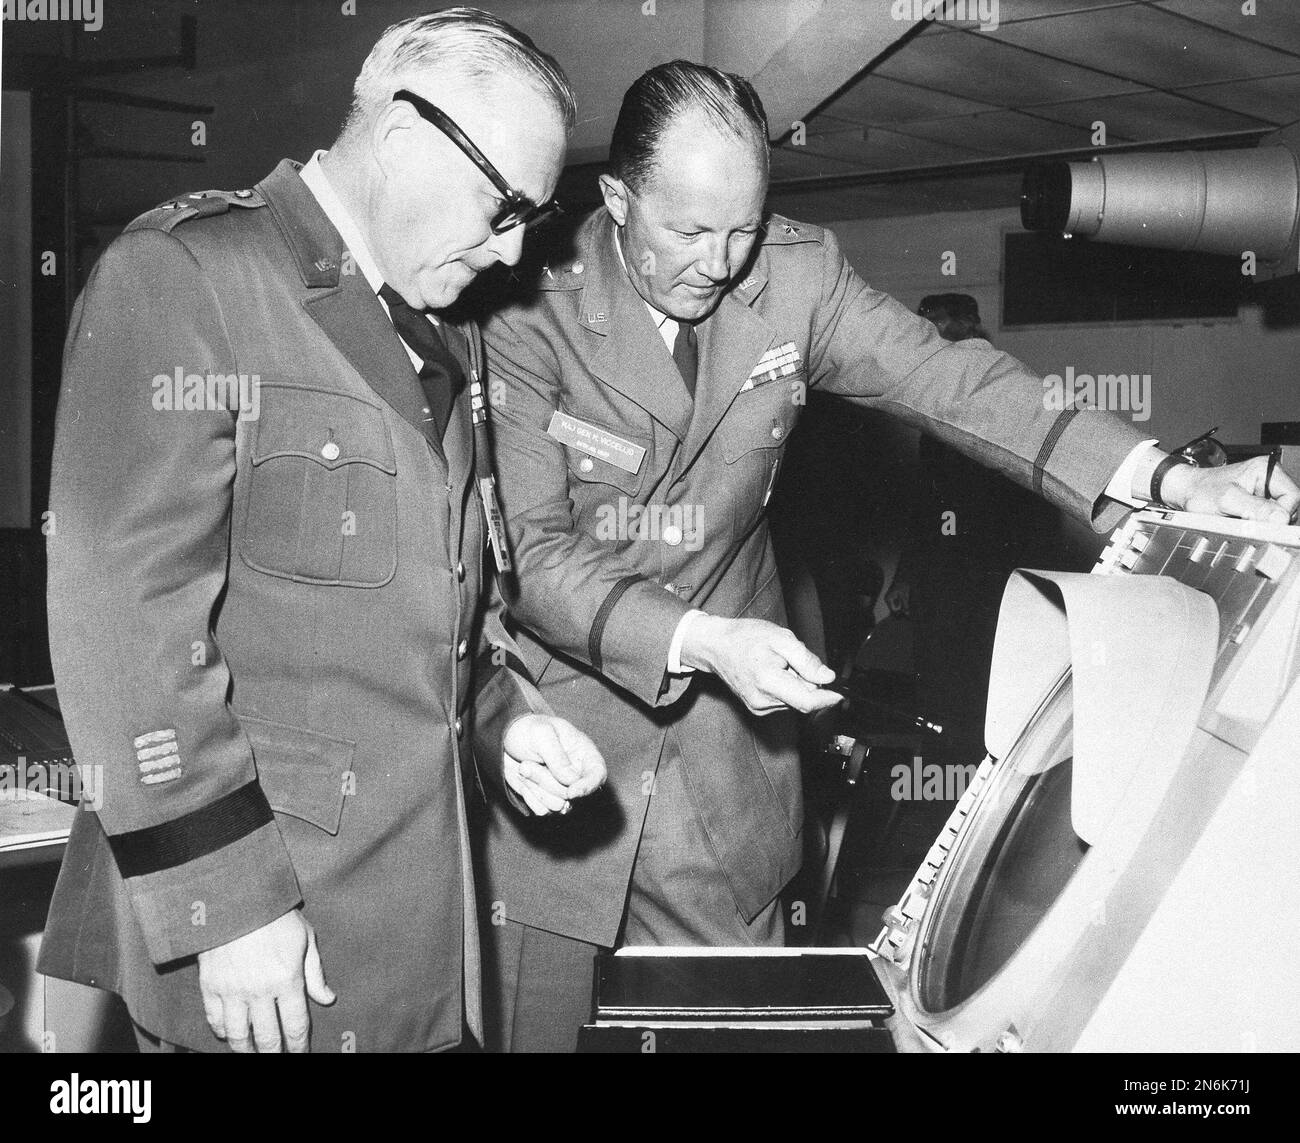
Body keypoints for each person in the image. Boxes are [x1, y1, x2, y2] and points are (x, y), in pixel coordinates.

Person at [473, 60, 1300, 1053]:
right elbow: (532, 551)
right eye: (687, 232)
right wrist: (698, 637)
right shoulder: (524, 307)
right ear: (614, 200)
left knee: (740, 1035)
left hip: (725, 754)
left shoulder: (795, 275)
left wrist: (1166, 479)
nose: (720, 262)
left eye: (741, 229)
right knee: (536, 1026)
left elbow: (949, 380)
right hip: (558, 737)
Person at [36, 9, 606, 1055]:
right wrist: (225, 901)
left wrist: (507, 722)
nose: (518, 245)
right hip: (267, 948)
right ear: (400, 138)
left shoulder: (445, 334)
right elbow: (122, 619)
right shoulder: (190, 278)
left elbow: (440, 617)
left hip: (416, 933)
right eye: (503, 205)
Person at [888, 293, 1068, 763]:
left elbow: (1036, 497)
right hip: (944, 580)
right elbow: (928, 502)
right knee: (939, 690)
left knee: (988, 693)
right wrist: (908, 573)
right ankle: (944, 787)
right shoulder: (935, 406)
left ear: (970, 329)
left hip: (995, 577)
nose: (933, 341)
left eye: (942, 329)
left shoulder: (1006, 391)